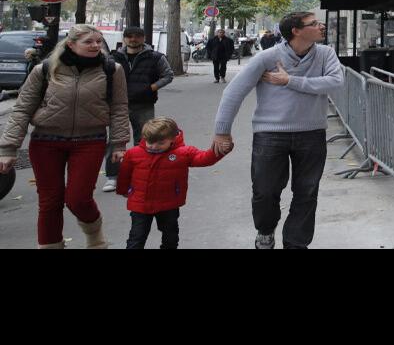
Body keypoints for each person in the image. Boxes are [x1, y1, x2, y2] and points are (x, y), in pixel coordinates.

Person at [211, 12, 343, 249]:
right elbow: (234, 92)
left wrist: (290, 81)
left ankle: (296, 243)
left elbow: (335, 82)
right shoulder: (268, 57)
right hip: (270, 134)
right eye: (314, 24)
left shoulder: (326, 54)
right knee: (265, 190)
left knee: (306, 192)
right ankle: (265, 229)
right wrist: (222, 131)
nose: (321, 26)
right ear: (296, 31)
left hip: (312, 133)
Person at [0, 25, 129, 249]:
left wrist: (118, 144)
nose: (96, 46)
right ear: (71, 44)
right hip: (46, 142)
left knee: (78, 199)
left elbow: (119, 108)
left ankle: (95, 235)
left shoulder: (111, 69)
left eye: (98, 41)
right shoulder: (45, 69)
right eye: (88, 42)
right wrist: (8, 149)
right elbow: (22, 109)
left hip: (90, 141)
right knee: (50, 202)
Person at [117, 117, 229, 249]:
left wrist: (221, 150)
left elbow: (204, 158)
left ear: (172, 139)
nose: (154, 146)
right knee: (136, 237)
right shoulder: (133, 153)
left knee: (170, 236)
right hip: (140, 203)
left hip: (169, 203)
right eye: (150, 142)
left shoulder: (183, 153)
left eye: (160, 143)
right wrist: (123, 190)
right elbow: (125, 174)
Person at [104, 26, 174, 193]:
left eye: (137, 36)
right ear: (124, 38)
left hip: (144, 104)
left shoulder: (155, 57)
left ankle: (140, 172)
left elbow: (168, 75)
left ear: (143, 38)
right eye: (129, 36)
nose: (133, 39)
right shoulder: (113, 57)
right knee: (115, 140)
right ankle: (112, 177)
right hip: (118, 105)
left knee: (144, 139)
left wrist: (151, 88)